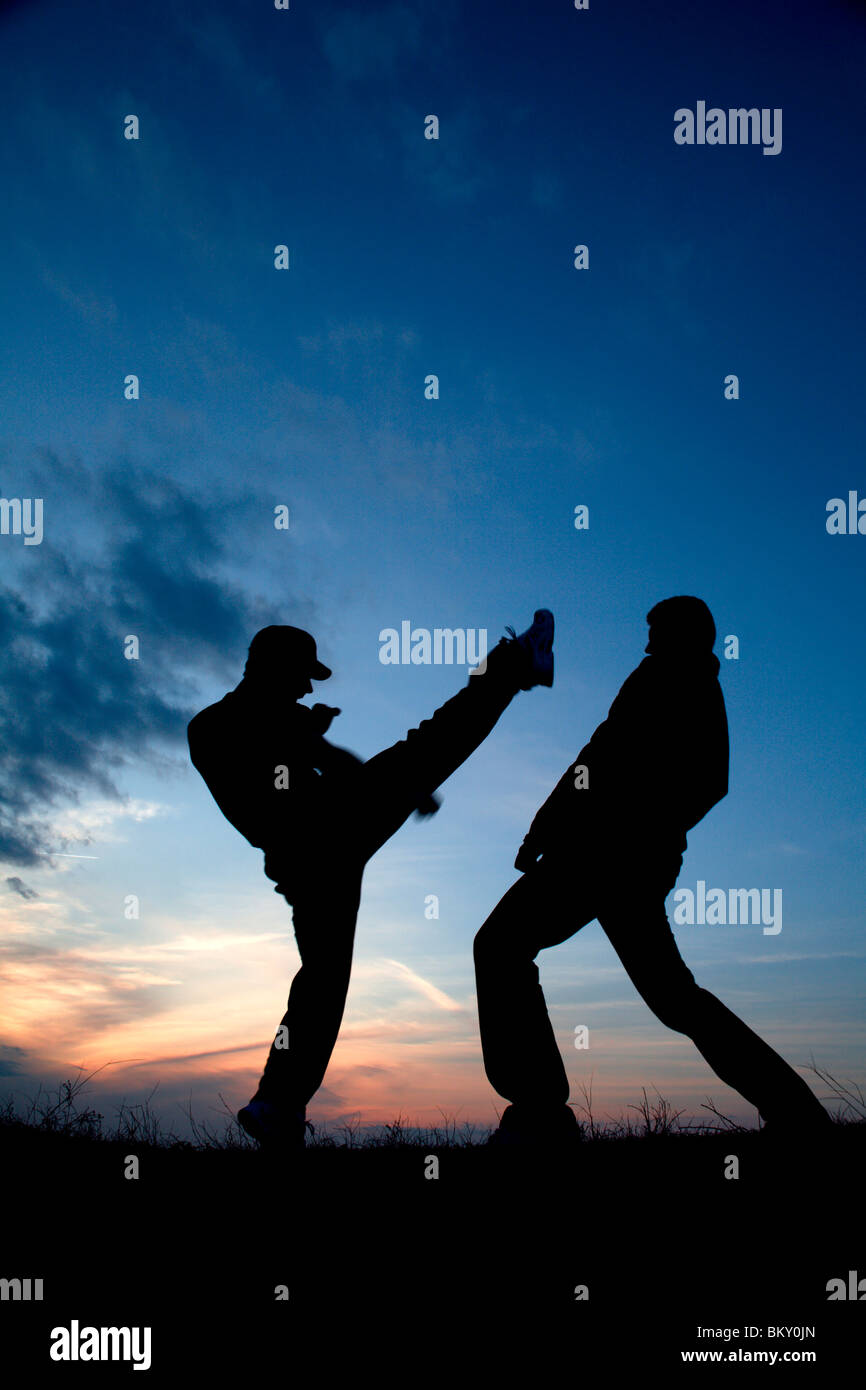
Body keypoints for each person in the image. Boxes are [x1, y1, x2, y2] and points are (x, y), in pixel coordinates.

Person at [187, 610, 555, 1148]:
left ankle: (279, 1104)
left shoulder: (217, 724)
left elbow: (272, 763)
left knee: (323, 979)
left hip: (298, 863)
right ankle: (513, 661)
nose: (309, 684)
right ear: (271, 666)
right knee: (430, 743)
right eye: (302, 672)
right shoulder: (247, 722)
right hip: (328, 828)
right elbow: (318, 764)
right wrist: (401, 788)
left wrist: (310, 733)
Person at [473, 596, 831, 1148]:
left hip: (607, 858)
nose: (645, 641)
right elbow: (599, 754)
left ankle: (540, 1111)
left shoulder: (687, 683)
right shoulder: (657, 676)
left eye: (655, 631)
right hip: (601, 855)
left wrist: (632, 834)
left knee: (501, 945)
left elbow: (708, 780)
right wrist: (547, 824)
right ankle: (797, 1113)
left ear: (685, 634)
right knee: (672, 998)